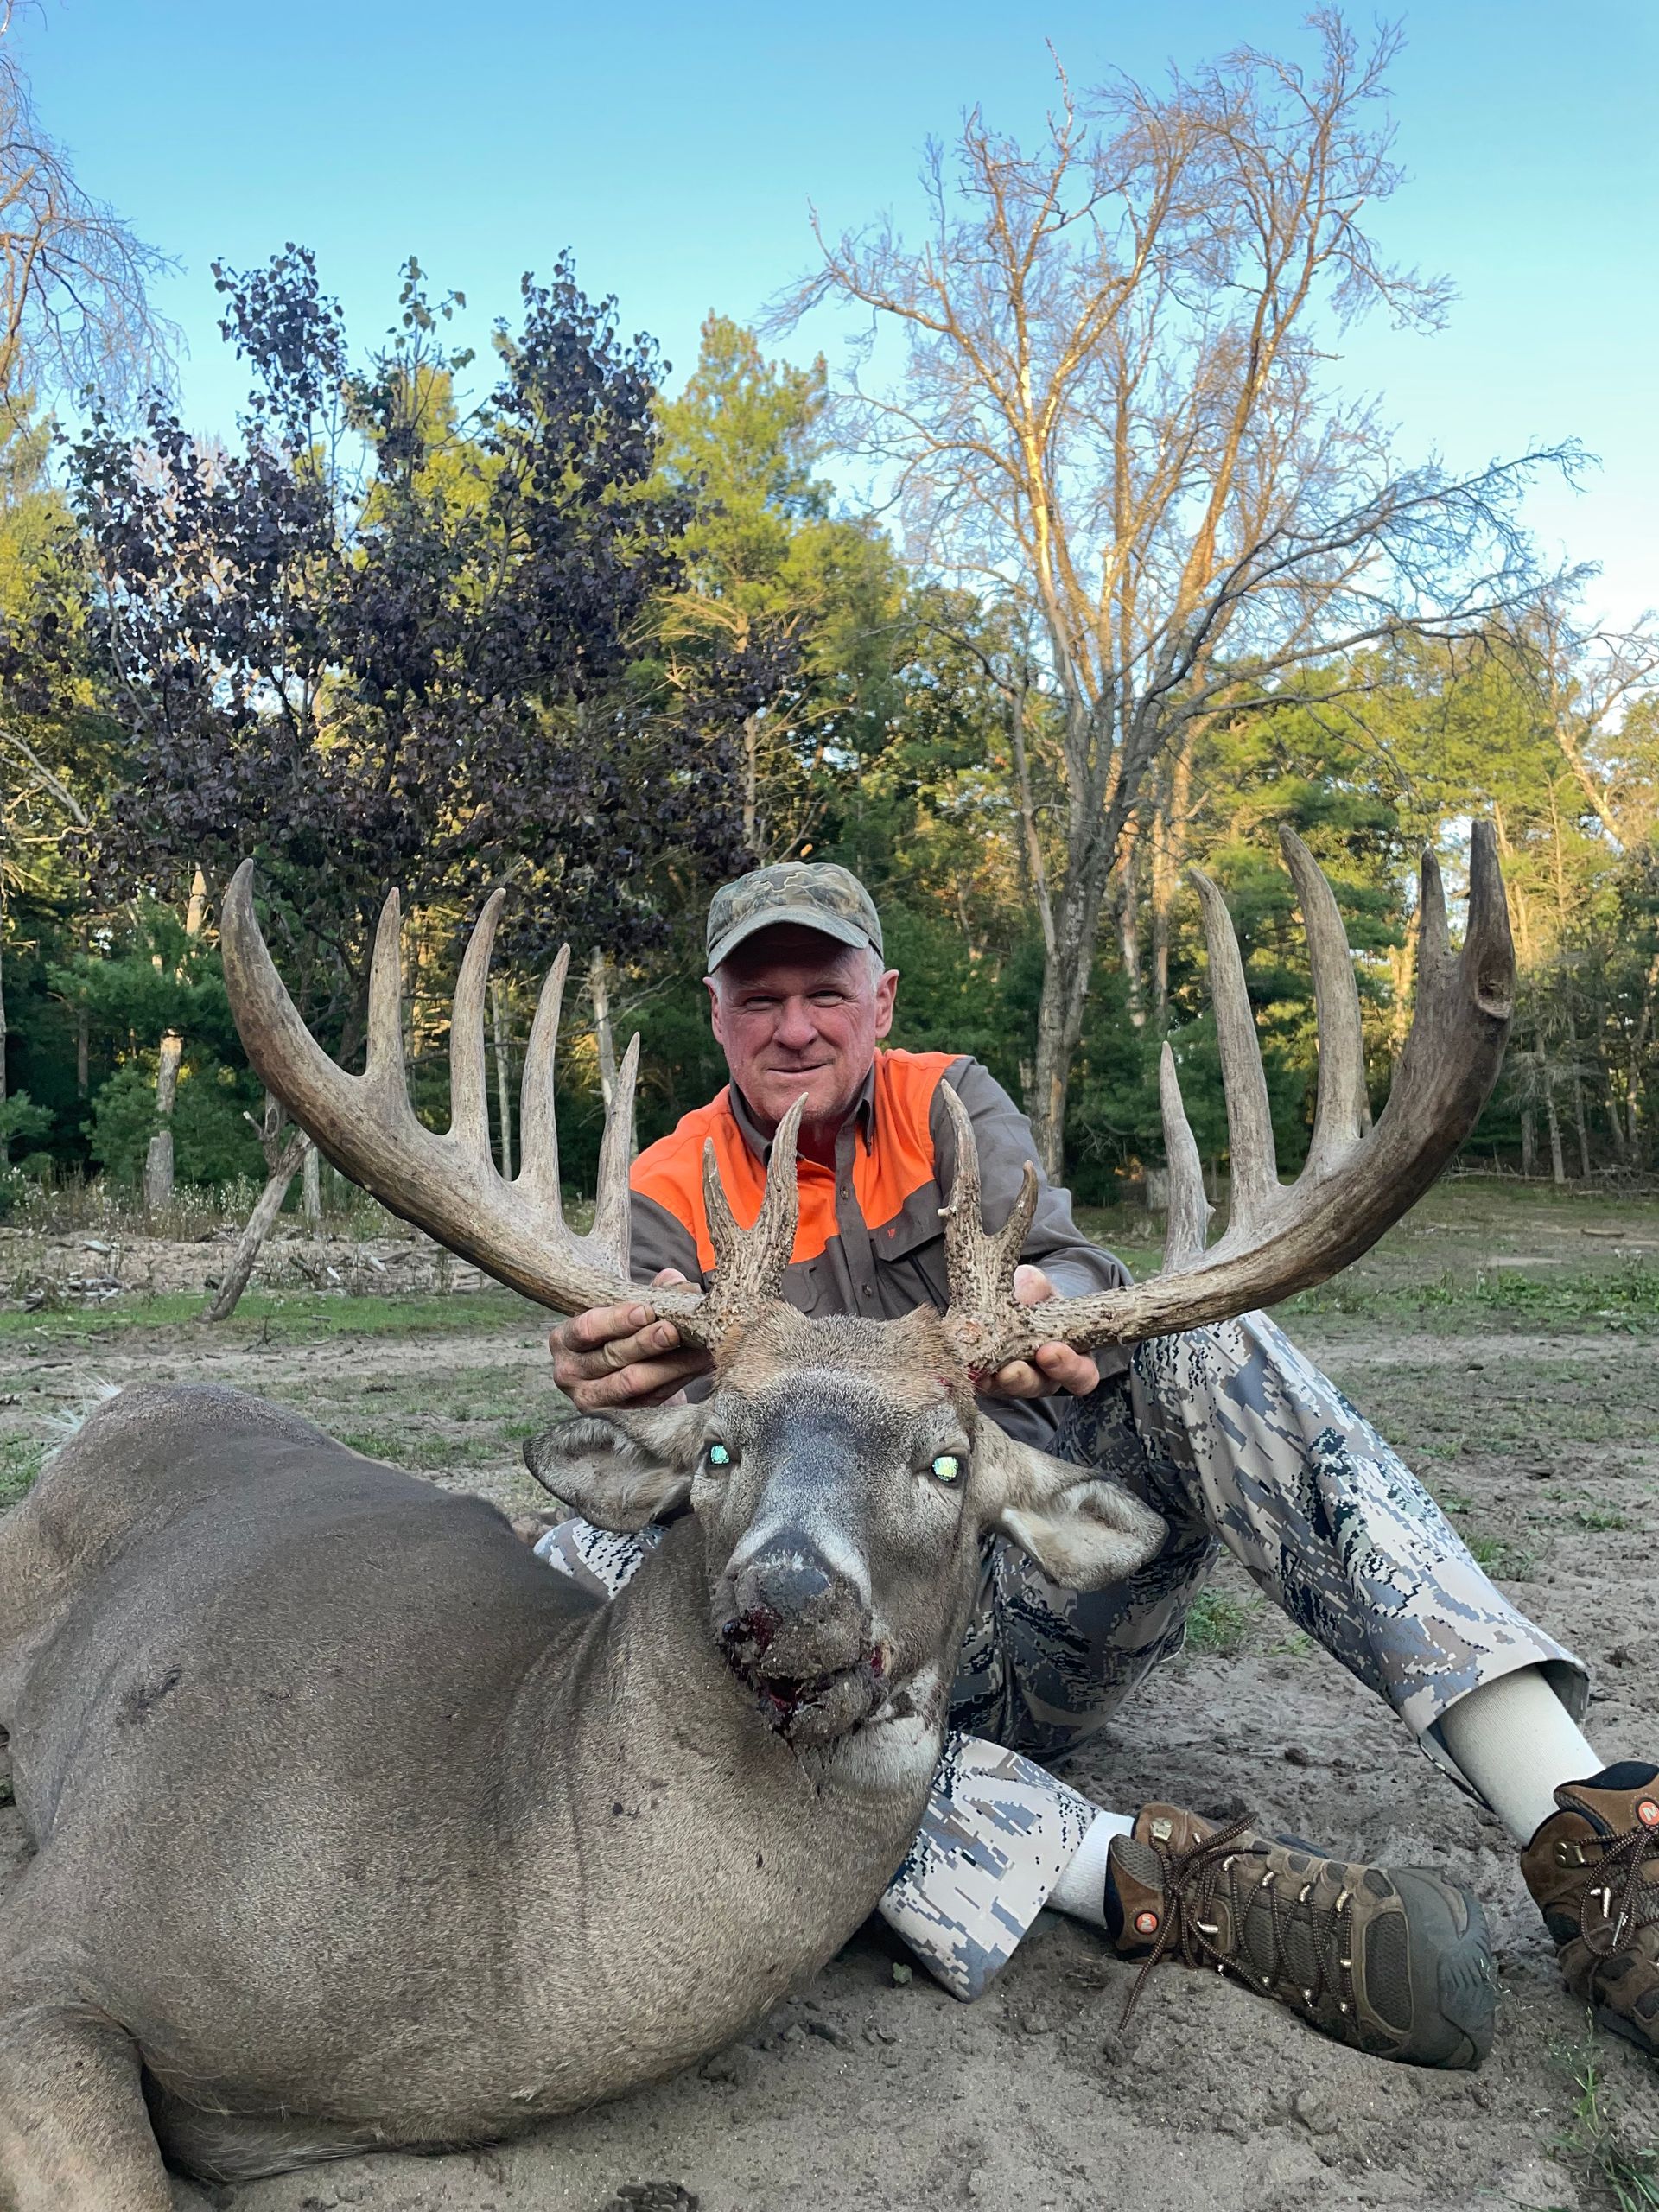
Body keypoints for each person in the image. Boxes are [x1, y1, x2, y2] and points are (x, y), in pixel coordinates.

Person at [542, 860, 1656, 2065]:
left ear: (883, 1000)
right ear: (716, 1015)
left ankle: (1600, 1841)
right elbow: (669, 1432)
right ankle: (1167, 1886)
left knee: (1208, 1343)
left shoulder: (947, 1110)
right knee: (575, 1572)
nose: (795, 1025)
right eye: (760, 999)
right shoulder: (665, 1186)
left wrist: (1054, 1303)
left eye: (824, 990)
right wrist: (635, 1371)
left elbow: (1077, 1265)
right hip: (800, 1673)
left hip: (1014, 1597)